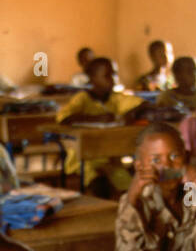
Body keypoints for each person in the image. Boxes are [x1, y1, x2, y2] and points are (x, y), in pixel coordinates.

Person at [116, 123, 196, 251]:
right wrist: (132, 197)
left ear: (186, 158)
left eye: (174, 156)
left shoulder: (190, 192)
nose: (166, 166)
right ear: (139, 166)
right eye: (156, 160)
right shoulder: (138, 199)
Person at [55, 57, 149, 193]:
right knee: (98, 184)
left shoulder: (116, 98)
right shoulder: (83, 98)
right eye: (107, 75)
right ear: (93, 78)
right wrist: (97, 118)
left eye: (114, 74)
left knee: (131, 186)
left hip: (111, 158)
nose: (113, 79)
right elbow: (64, 118)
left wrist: (129, 115)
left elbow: (143, 104)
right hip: (84, 158)